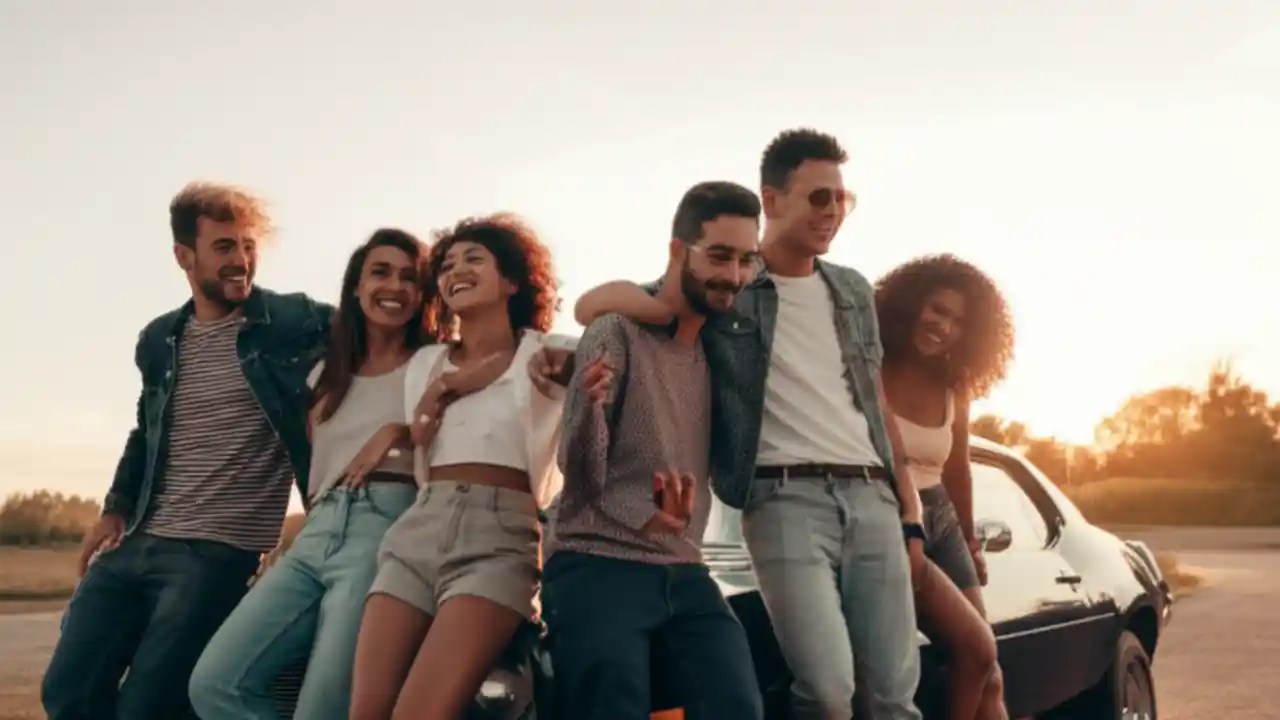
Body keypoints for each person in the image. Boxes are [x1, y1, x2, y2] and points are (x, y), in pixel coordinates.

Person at [570, 129, 926, 720]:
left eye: (843, 198)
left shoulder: (853, 290)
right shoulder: (733, 283)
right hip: (782, 497)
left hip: (872, 495)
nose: (833, 211)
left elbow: (875, 403)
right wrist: (634, 323)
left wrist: (909, 512)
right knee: (829, 693)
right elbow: (594, 306)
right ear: (773, 200)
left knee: (893, 696)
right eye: (818, 197)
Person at [42, 182, 334, 719]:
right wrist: (114, 507)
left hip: (217, 553)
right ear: (184, 255)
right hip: (138, 539)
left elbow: (380, 321)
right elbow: (146, 430)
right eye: (224, 247)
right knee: (67, 691)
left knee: (148, 708)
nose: (241, 261)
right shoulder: (159, 339)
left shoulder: (292, 324)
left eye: (248, 246)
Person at [187, 229, 445, 718]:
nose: (394, 286)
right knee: (216, 684)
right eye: (380, 272)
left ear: (423, 295)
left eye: (410, 278)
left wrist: (395, 432)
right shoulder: (322, 375)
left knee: (323, 709)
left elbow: (471, 424)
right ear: (355, 287)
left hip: (387, 529)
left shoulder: (434, 362)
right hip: (316, 531)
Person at [540, 181, 766, 720]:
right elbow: (581, 476)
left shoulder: (725, 351)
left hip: (684, 567)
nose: (732, 275)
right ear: (676, 250)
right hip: (597, 561)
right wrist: (589, 412)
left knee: (739, 705)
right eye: (718, 256)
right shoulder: (615, 330)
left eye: (744, 260)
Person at [347, 214, 576, 720]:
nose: (457, 271)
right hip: (419, 529)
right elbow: (424, 434)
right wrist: (420, 410)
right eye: (448, 265)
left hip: (498, 539)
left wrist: (575, 370)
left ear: (512, 281)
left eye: (475, 259)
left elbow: (615, 363)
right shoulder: (427, 364)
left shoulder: (547, 353)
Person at [875, 253, 1015, 720]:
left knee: (989, 673)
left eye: (958, 321)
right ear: (911, 303)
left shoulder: (956, 389)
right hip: (890, 516)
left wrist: (971, 542)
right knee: (975, 652)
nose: (943, 326)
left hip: (942, 520)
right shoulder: (869, 367)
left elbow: (957, 473)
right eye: (937, 310)